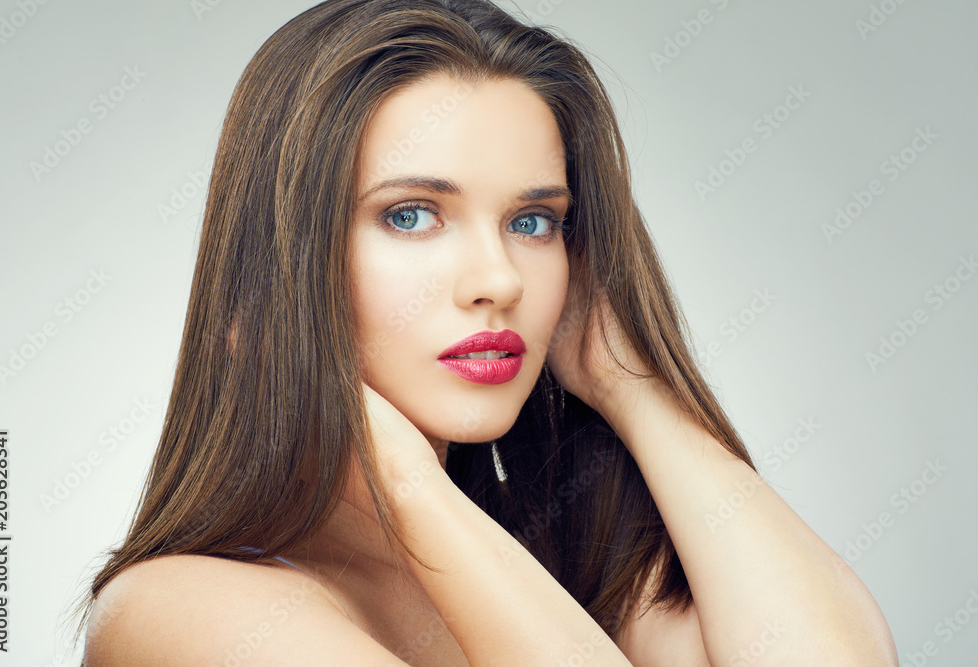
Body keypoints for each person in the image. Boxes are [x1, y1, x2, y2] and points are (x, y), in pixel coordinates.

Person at [74, 0, 898, 664]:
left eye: (534, 221)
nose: (500, 279)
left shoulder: (574, 557)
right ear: (282, 263)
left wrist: (631, 386)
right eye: (411, 214)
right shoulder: (177, 609)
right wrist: (402, 483)